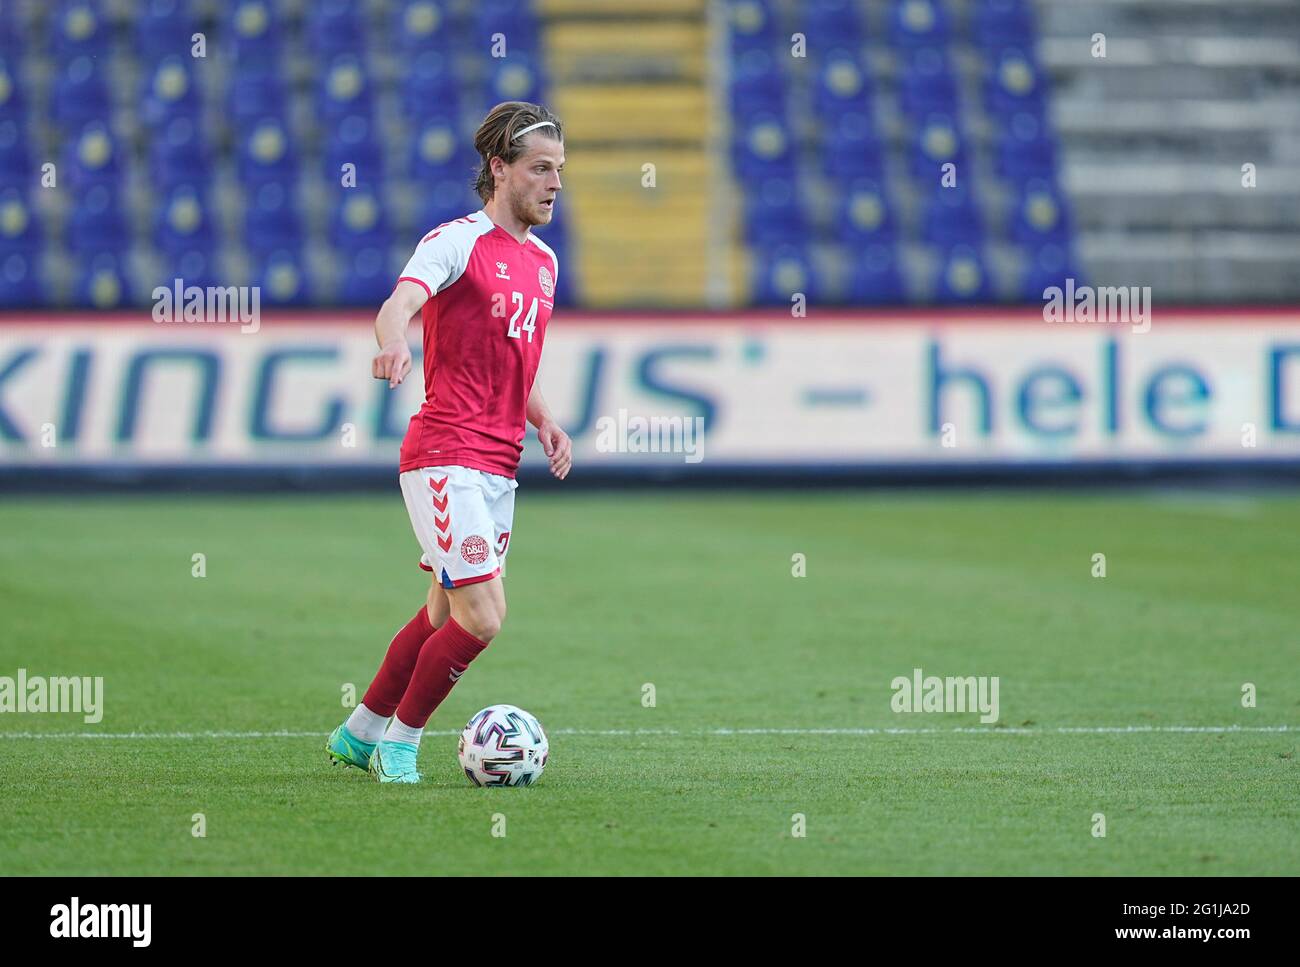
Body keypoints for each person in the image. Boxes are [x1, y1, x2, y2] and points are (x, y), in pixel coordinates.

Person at [326, 101, 571, 783]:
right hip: (445, 455)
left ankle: (360, 730)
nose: (555, 183)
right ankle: (401, 741)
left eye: (560, 170)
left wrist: (544, 420)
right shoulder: (456, 242)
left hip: (499, 466)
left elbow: (515, 362)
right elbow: (399, 302)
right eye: (540, 168)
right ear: (500, 169)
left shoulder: (545, 263)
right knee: (485, 614)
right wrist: (394, 341)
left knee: (442, 609)